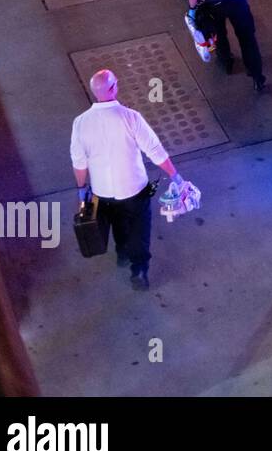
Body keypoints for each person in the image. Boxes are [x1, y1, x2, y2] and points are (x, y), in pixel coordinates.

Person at [70, 69, 189, 291]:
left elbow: (79, 162)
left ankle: (122, 253)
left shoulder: (80, 123)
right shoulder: (130, 117)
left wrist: (81, 190)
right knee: (139, 227)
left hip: (102, 191)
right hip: (134, 187)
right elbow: (155, 151)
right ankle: (139, 269)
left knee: (116, 223)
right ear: (114, 88)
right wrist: (175, 175)